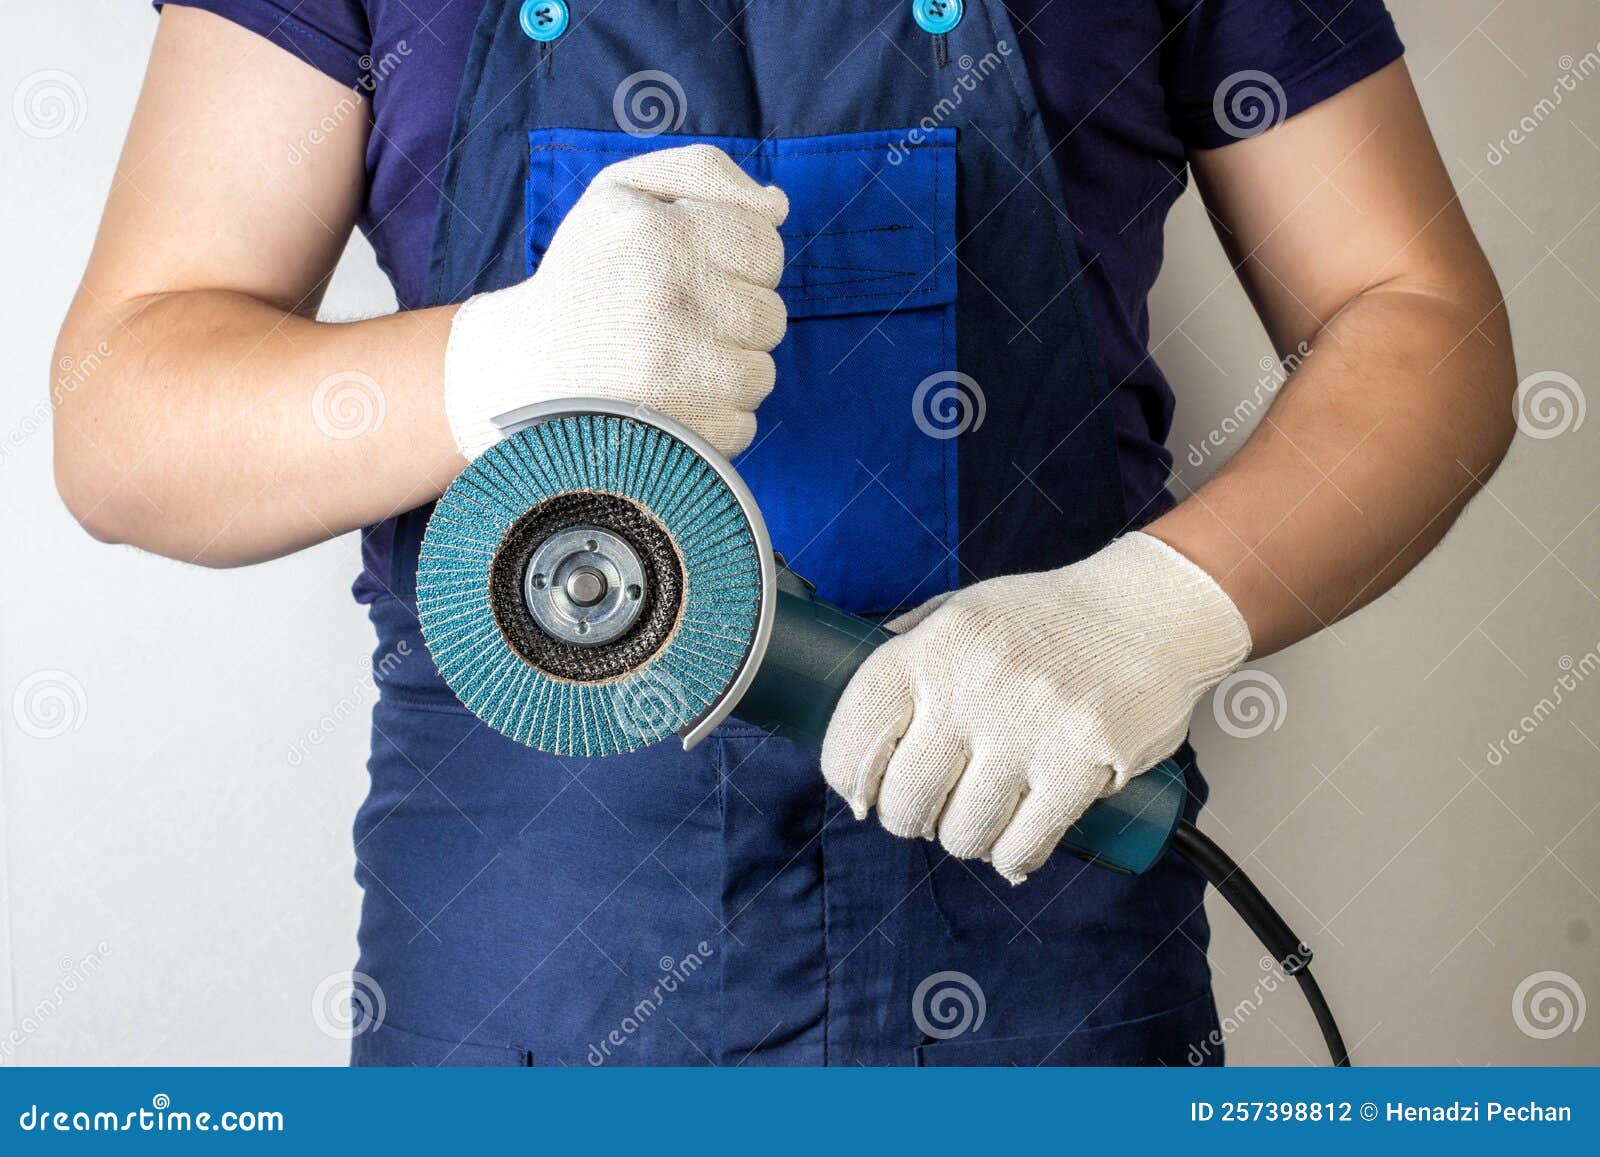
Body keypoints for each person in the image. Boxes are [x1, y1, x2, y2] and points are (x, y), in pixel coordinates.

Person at [53, 0, 1514, 1066]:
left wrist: (1162, 609)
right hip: (529, 968)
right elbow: (126, 419)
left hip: (1041, 915)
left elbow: (1419, 320)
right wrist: (489, 364)